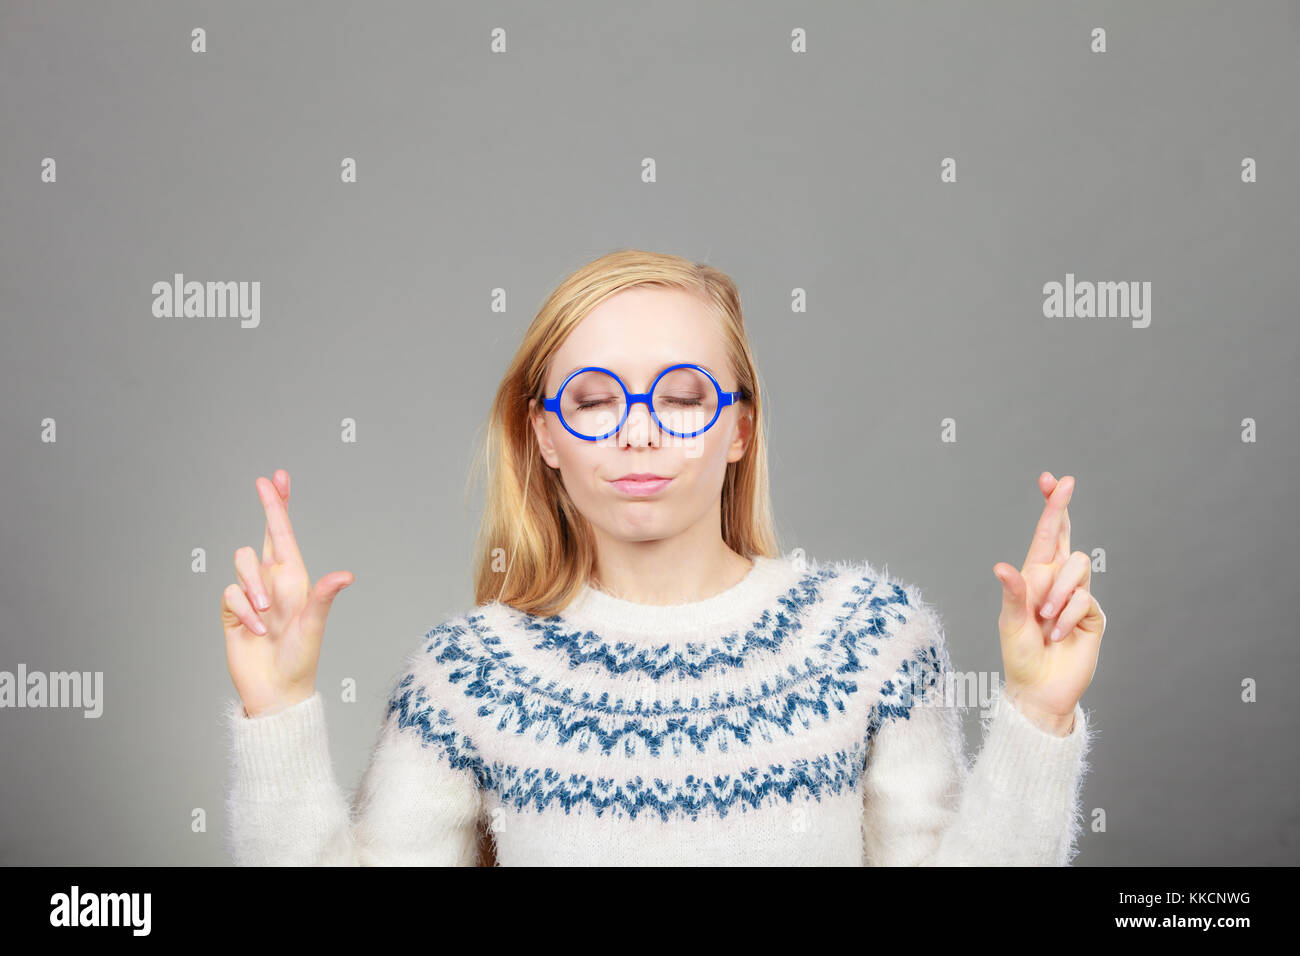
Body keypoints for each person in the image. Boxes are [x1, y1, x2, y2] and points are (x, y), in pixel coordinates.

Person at [221, 248, 1104, 866]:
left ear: (739, 428)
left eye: (683, 397)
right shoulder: (471, 673)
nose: (639, 430)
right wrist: (279, 707)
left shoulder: (868, 637)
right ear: (547, 437)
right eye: (594, 398)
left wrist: (1035, 714)